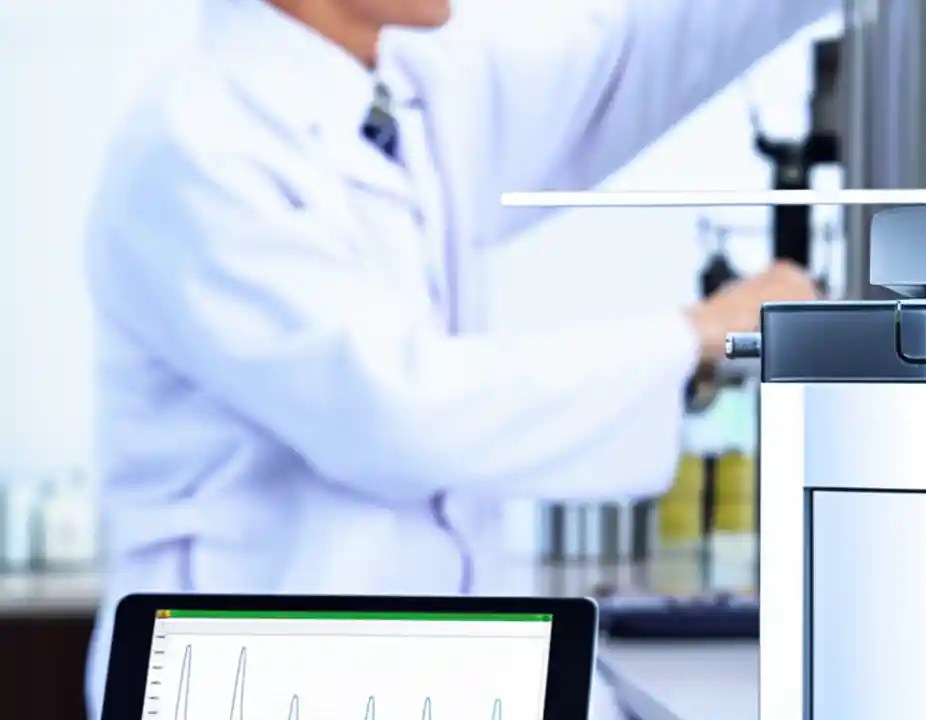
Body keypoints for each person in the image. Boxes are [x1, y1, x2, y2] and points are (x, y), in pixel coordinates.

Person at [83, 0, 829, 715]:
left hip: (405, 671)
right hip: (250, 680)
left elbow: (635, 52)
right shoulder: (198, 145)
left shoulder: (407, 94)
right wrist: (693, 335)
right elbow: (398, 413)